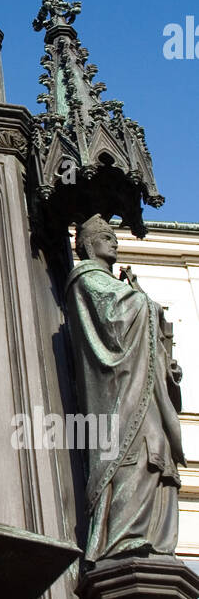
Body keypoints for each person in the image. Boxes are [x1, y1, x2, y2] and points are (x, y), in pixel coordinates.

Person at [65, 214, 184, 562]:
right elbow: (117, 319)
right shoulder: (86, 280)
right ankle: (122, 538)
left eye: (114, 236)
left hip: (140, 386)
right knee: (138, 453)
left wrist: (164, 357)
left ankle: (152, 538)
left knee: (157, 450)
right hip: (119, 393)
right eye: (105, 236)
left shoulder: (111, 283)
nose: (113, 241)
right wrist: (141, 299)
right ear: (88, 244)